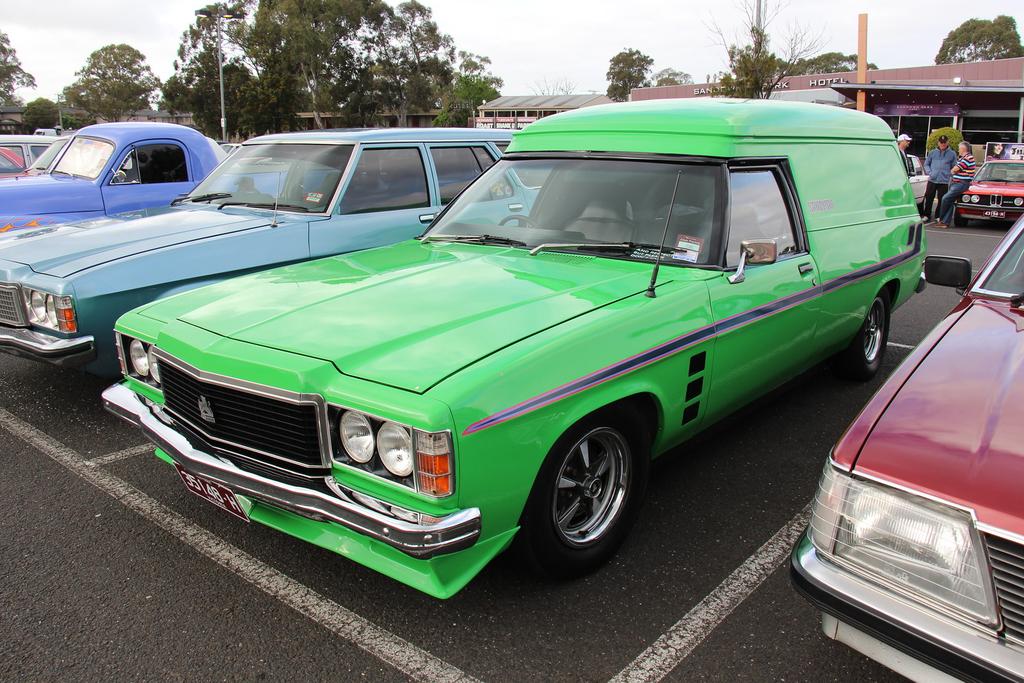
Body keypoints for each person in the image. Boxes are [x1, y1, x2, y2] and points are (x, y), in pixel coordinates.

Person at [936, 141, 976, 228]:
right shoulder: (963, 158)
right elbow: (954, 169)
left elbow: (955, 169)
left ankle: (941, 218)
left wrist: (953, 170)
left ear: (963, 148)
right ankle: (944, 222)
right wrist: (954, 170)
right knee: (950, 201)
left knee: (945, 198)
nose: (958, 150)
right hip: (956, 182)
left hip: (961, 183)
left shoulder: (968, 158)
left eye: (959, 148)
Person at [923, 135, 956, 221]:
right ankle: (927, 215)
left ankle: (938, 216)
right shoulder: (932, 152)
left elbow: (954, 166)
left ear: (947, 142)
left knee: (942, 199)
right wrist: (930, 173)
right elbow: (926, 164)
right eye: (941, 143)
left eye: (944, 143)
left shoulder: (952, 154)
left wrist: (949, 175)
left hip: (944, 181)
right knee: (929, 197)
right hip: (932, 180)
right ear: (938, 142)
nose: (943, 144)